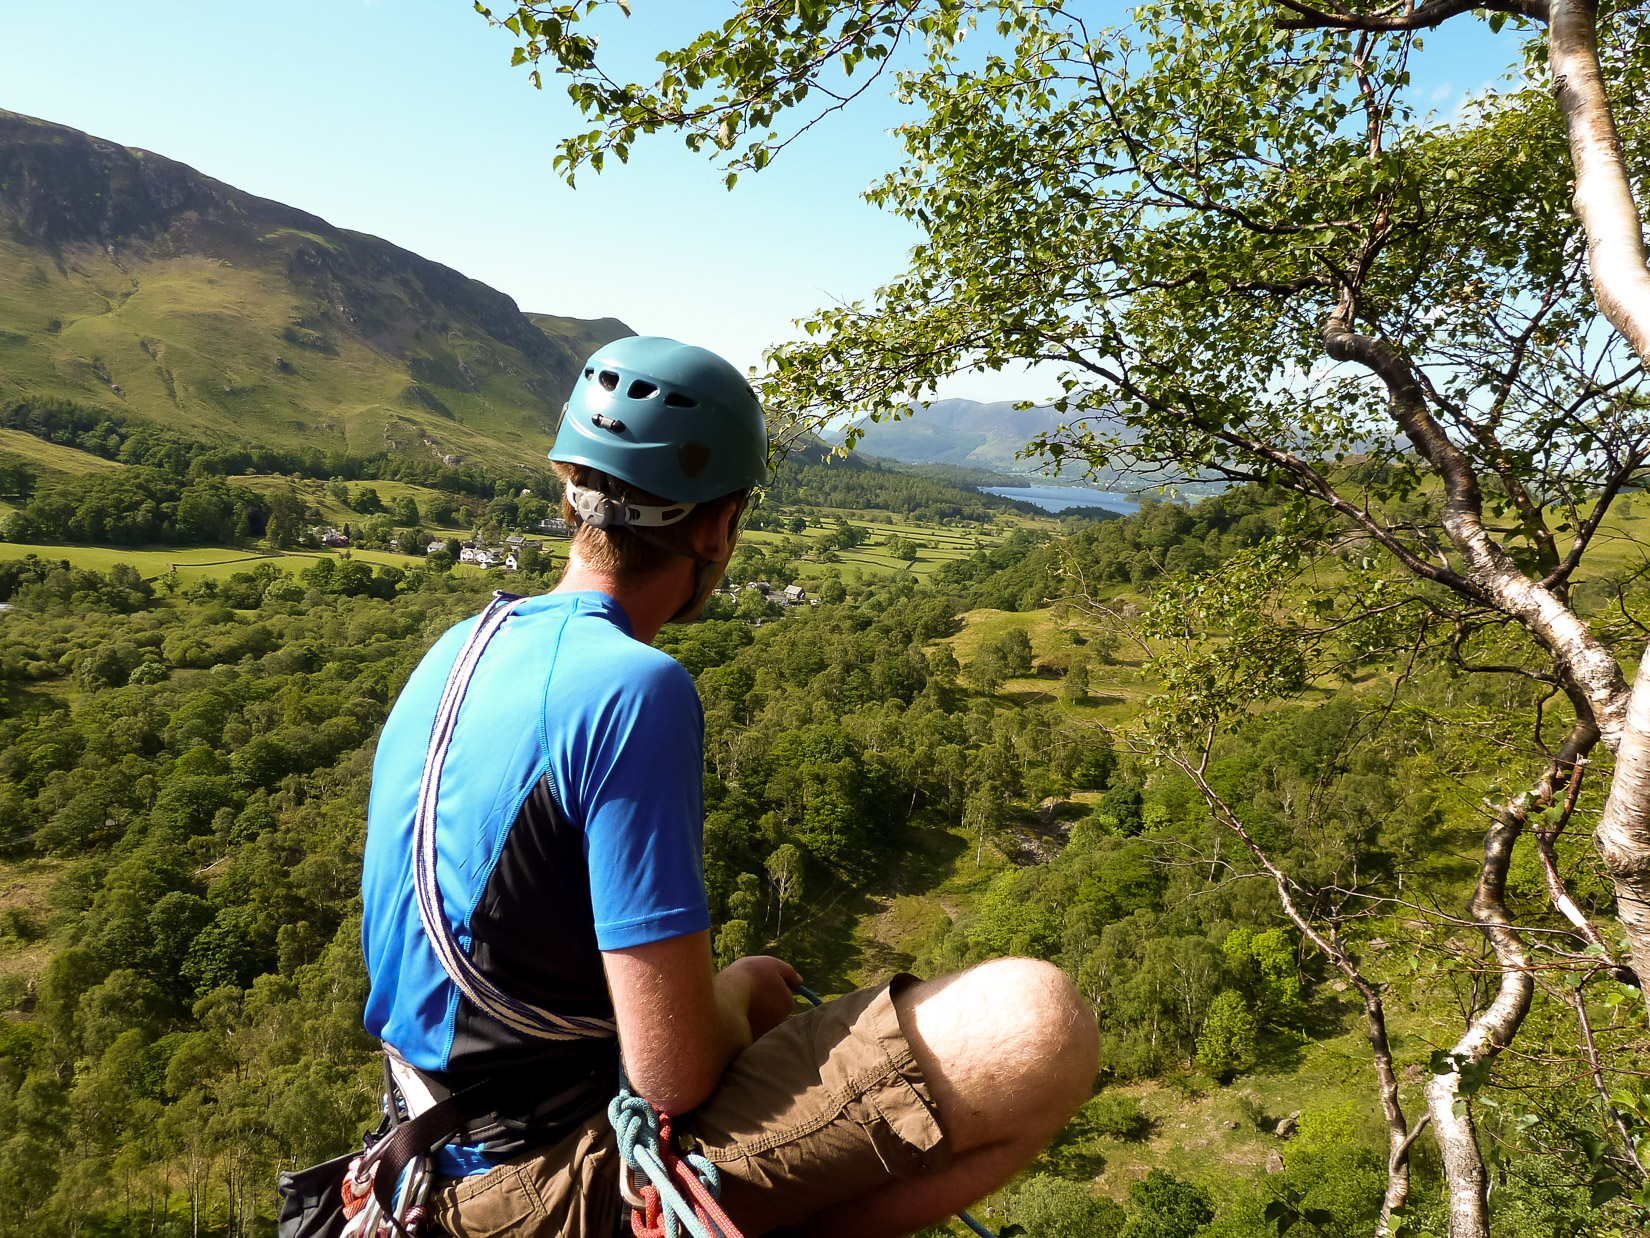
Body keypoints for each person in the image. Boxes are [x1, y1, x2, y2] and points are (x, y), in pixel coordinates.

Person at [360, 336, 1097, 1238]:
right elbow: (670, 1077)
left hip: (423, 1149)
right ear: (716, 527)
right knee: (1038, 1025)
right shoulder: (634, 688)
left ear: (569, 494)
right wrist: (740, 992)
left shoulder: (460, 647)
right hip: (534, 1178)